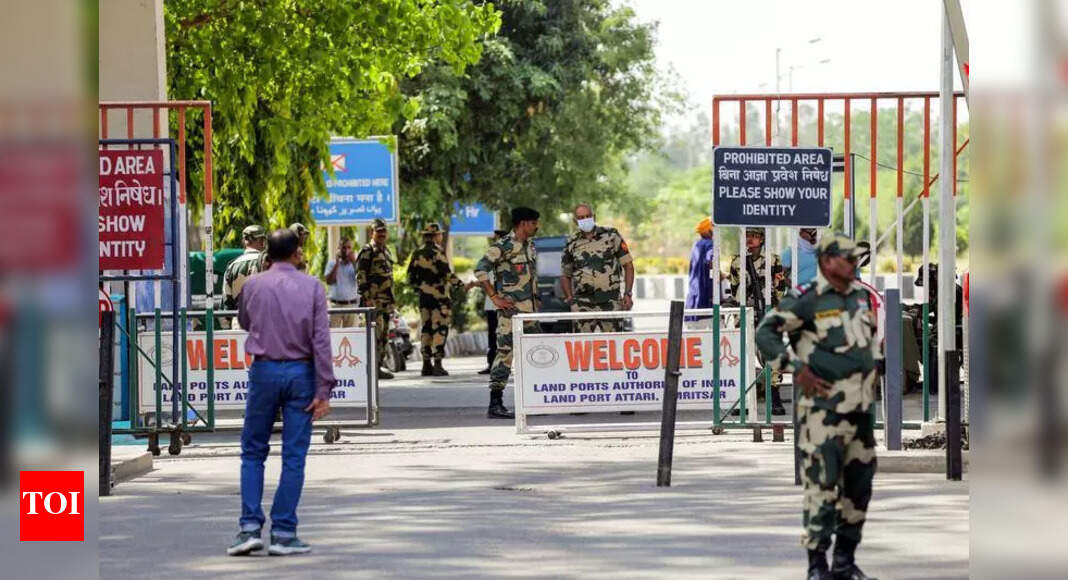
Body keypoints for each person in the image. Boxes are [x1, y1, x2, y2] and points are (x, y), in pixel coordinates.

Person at [755, 233, 880, 580]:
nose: (855, 264)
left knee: (859, 488)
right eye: (848, 258)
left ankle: (845, 560)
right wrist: (793, 367)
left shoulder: (859, 297)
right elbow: (766, 333)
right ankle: (817, 565)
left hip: (860, 409)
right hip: (822, 412)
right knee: (821, 487)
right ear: (827, 262)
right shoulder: (806, 299)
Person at [228, 228, 333, 557]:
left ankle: (248, 528)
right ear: (296, 252)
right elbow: (321, 340)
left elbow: (245, 321)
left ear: (267, 253)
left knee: (253, 450)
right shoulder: (313, 287)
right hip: (301, 373)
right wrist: (324, 387)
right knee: (293, 455)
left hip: (264, 370)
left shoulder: (253, 285)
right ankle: (284, 533)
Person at [474, 207, 540, 419]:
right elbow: (480, 269)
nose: (537, 227)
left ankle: (533, 401)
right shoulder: (503, 246)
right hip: (510, 313)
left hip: (530, 313)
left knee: (535, 355)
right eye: (534, 223)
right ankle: (495, 403)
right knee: (504, 355)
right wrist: (494, 297)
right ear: (523, 223)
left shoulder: (530, 246)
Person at [727, 226, 790, 415]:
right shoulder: (738, 260)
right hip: (745, 314)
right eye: (748, 236)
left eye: (754, 236)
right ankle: (743, 400)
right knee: (742, 358)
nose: (750, 239)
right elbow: (734, 288)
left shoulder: (772, 260)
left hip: (768, 313)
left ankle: (775, 399)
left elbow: (779, 288)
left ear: (762, 239)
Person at [406, 223, 473, 376]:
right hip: (439, 299)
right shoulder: (438, 253)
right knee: (439, 329)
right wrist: (462, 286)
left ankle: (425, 365)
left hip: (424, 298)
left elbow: (410, 277)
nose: (441, 237)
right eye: (440, 234)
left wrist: (420, 288)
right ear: (436, 236)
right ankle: (437, 364)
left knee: (426, 329)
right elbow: (447, 274)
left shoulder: (417, 253)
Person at [560, 203, 634, 332]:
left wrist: (628, 293)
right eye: (581, 217)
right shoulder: (571, 242)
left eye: (588, 216)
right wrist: (571, 299)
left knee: (614, 344)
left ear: (594, 217)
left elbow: (628, 265)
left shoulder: (611, 235)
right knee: (582, 347)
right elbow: (565, 274)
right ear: (575, 221)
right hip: (583, 304)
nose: (585, 220)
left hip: (610, 302)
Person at [356, 218, 396, 380]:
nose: (382, 234)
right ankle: (372, 368)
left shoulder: (387, 251)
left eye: (384, 231)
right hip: (374, 301)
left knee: (384, 335)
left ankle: (378, 366)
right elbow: (361, 275)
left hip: (386, 301)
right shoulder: (367, 251)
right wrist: (367, 298)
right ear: (372, 233)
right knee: (375, 334)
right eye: (378, 232)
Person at [478, 229, 510, 375]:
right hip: (492, 305)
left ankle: (500, 365)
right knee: (493, 336)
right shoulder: (493, 257)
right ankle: (493, 364)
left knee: (501, 336)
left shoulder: (504, 257)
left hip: (499, 304)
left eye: (497, 239)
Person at [223, 225, 267, 328]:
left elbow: (226, 304)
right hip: (262, 324)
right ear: (262, 241)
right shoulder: (267, 262)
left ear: (245, 241)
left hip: (238, 324)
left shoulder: (232, 266)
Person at [684, 217, 725, 322]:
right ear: (709, 230)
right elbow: (711, 262)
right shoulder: (711, 245)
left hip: (694, 301)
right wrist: (721, 275)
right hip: (707, 299)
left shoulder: (697, 245)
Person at [324, 237, 359, 328]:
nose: (346, 250)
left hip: (351, 305)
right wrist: (337, 264)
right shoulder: (332, 264)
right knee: (335, 335)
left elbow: (361, 279)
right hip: (336, 305)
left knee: (351, 338)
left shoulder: (355, 265)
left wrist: (354, 262)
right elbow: (329, 281)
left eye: (349, 247)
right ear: (339, 249)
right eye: (344, 247)